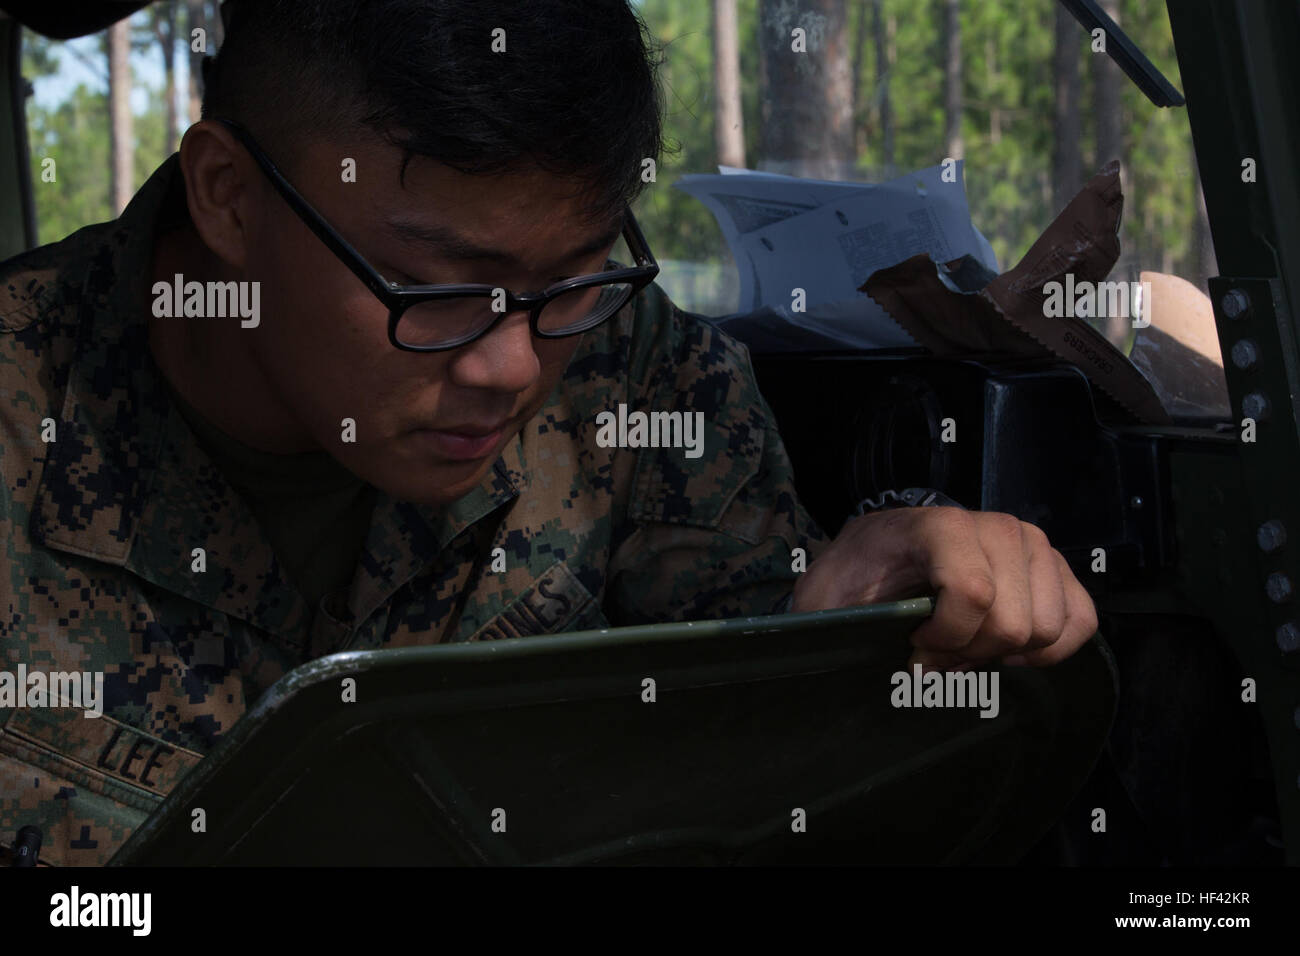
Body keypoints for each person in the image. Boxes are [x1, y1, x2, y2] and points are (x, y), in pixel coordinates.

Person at [0, 0, 1096, 865]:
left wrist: (865, 612)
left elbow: (761, 710)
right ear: (229, 197)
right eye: (433, 290)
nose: (512, 364)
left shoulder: (633, 369)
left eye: (571, 278)